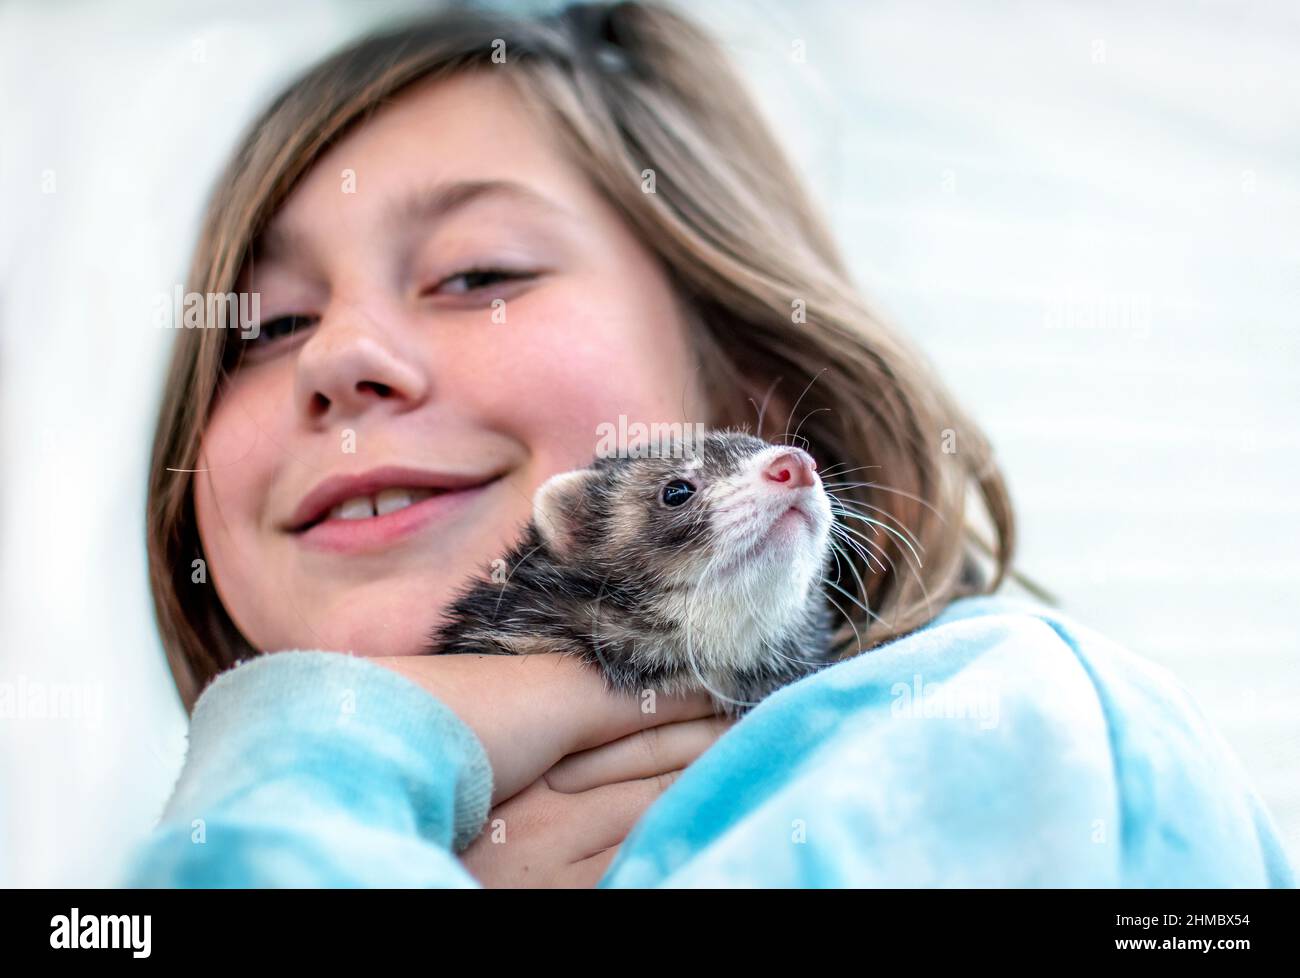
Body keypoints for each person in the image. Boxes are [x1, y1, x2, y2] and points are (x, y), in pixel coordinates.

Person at [125, 1, 1294, 887]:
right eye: (268, 325)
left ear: (749, 373)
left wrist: (307, 741)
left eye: (478, 273)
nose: (337, 355)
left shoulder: (1012, 731)